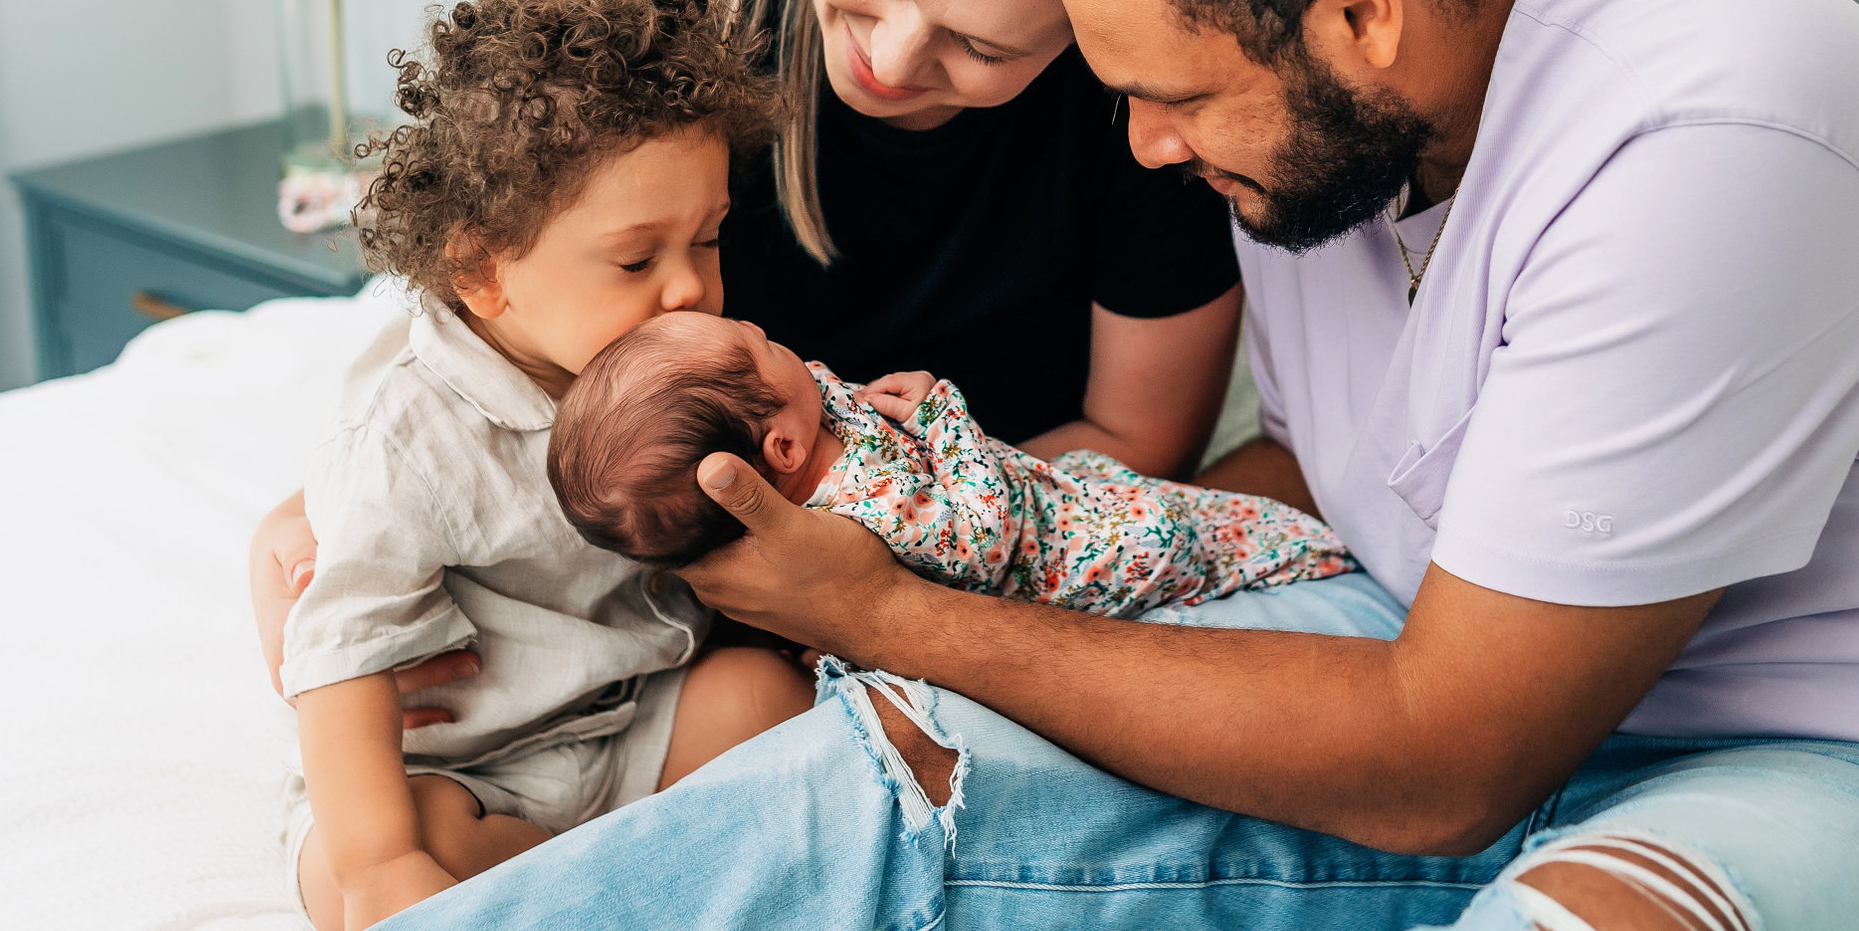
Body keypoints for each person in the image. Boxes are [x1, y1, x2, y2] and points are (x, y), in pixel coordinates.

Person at [294, 0, 1859, 931]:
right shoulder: (1316, 123)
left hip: (1857, 769)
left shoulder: (1717, 143)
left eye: (1175, 100)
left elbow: (1447, 755)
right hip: (1429, 643)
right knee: (897, 793)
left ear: (1357, 14)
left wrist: (876, 605)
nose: (1144, 152)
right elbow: (1336, 491)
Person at [247, 0, 1244, 707]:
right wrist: (336, 509)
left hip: (971, 509)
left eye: (982, 45)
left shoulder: (1134, 100)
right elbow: (506, 334)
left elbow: (1139, 439)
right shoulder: (673, 6)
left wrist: (875, 558)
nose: (893, 60)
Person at [280, 0, 813, 931]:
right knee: (366, 862)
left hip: (627, 721)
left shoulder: (680, 365)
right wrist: (379, 855)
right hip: (468, 762)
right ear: (483, 269)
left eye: (708, 239)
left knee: (766, 699)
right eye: (635, 257)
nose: (690, 286)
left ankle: (604, 874)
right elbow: (339, 655)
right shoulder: (410, 434)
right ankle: (553, 879)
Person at [548, 312, 1353, 615]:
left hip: (1063, 495)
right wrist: (944, 417)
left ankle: (1313, 550)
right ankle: (1322, 563)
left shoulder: (795, 437)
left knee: (1196, 512)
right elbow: (980, 535)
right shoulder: (859, 503)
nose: (774, 334)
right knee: (1203, 534)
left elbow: (822, 390)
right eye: (763, 347)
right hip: (1075, 553)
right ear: (782, 451)